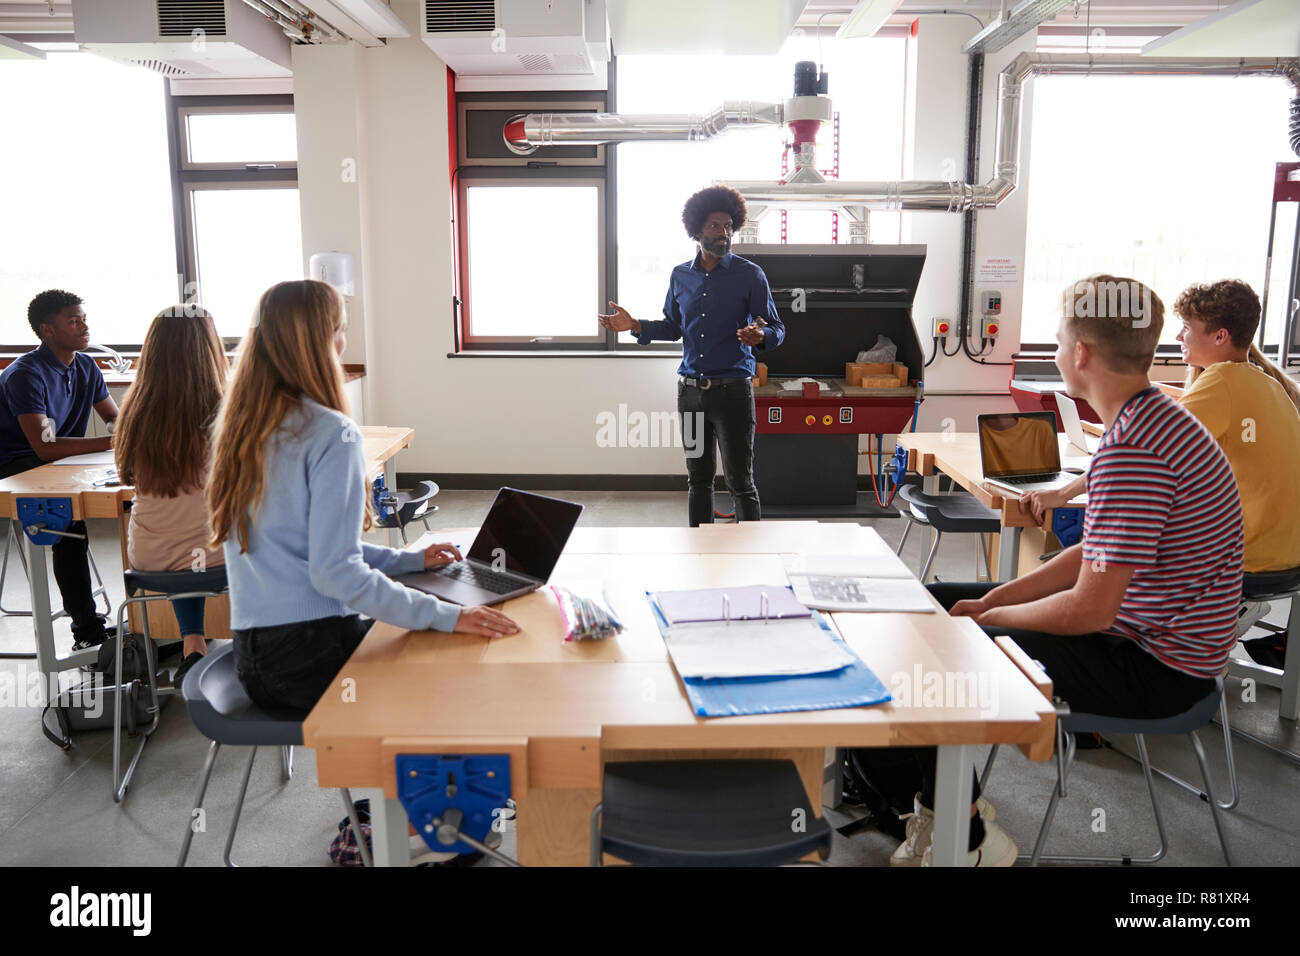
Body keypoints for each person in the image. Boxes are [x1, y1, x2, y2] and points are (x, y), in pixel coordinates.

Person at [890, 274, 1243, 866]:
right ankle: (938, 806)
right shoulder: (1145, 420)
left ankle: (968, 840)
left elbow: (1089, 607)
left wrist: (990, 617)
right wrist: (992, 598)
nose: (1055, 352)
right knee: (928, 606)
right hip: (1139, 639)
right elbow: (1096, 554)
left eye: (1057, 341)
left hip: (1157, 670)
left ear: (1080, 354)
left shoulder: (1136, 447)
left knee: (943, 653)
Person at [206, 279, 519, 714]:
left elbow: (310, 554)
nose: (343, 340)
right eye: (342, 328)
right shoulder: (331, 433)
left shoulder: (243, 429)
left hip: (257, 657)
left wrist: (407, 562)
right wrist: (449, 616)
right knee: (461, 663)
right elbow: (336, 575)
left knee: (428, 626)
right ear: (327, 341)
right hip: (308, 658)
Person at [1022, 279, 1300, 662]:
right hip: (1289, 553)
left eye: (1187, 327)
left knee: (1100, 543)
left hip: (1247, 557)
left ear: (1220, 337)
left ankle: (1104, 653)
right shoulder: (1267, 384)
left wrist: (1062, 493)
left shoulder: (1222, 381)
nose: (1179, 335)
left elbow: (1145, 444)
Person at [598, 185, 785, 526]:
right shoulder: (680, 275)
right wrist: (635, 325)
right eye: (715, 225)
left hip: (733, 394)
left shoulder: (750, 275)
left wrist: (761, 336)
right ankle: (699, 554)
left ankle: (757, 559)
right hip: (691, 395)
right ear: (697, 229)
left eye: (729, 225)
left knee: (740, 483)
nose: (724, 232)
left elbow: (777, 327)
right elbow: (672, 327)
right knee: (698, 481)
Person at [113, 306, 227, 683]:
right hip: (220, 559)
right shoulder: (229, 409)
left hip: (149, 560)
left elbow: (126, 474)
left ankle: (193, 644)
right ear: (210, 348)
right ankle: (258, 641)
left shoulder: (135, 410)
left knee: (184, 537)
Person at [0, 290, 118, 650]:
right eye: (74, 320)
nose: (84, 326)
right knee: (68, 523)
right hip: (18, 468)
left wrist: (130, 431)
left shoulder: (84, 366)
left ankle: (157, 619)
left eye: (84, 318)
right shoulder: (25, 374)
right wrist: (112, 442)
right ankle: (87, 632)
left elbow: (114, 418)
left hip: (60, 463)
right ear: (47, 329)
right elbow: (43, 445)